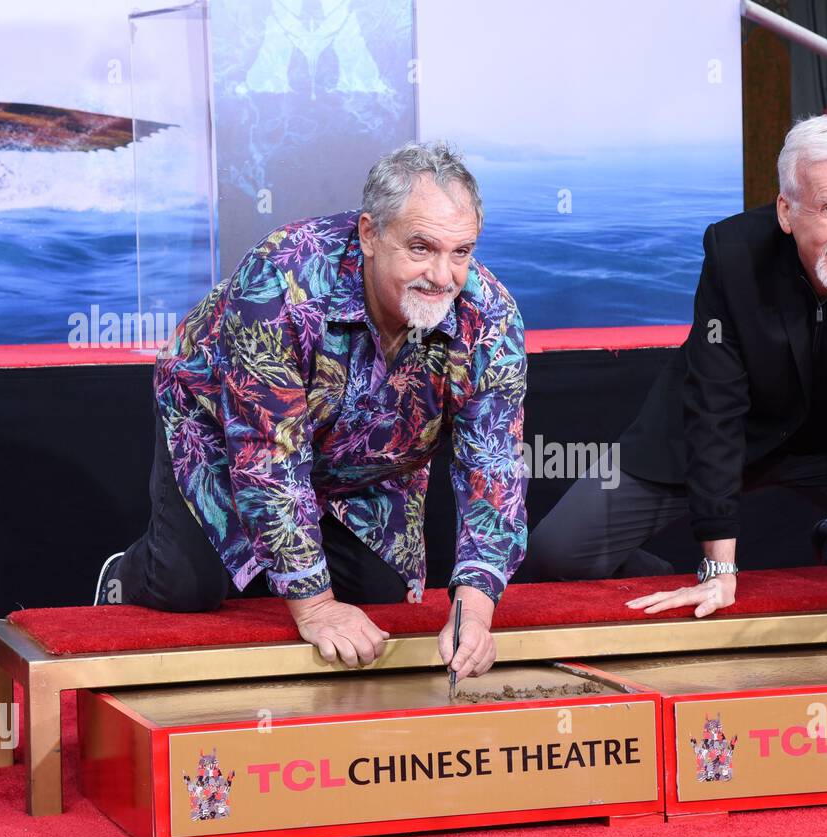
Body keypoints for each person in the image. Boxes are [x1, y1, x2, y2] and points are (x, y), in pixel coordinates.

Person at [519, 115, 827, 636]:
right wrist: (719, 570)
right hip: (724, 437)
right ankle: (652, 579)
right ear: (787, 211)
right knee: (557, 555)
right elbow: (715, 410)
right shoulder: (733, 255)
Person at [96, 141, 527, 680]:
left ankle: (290, 561)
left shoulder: (489, 318)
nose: (443, 276)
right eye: (421, 248)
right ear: (370, 234)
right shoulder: (279, 278)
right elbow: (267, 455)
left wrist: (475, 611)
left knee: (381, 598)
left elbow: (494, 469)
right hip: (224, 429)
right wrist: (316, 607)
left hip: (367, 459)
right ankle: (127, 572)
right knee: (188, 585)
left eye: (460, 252)